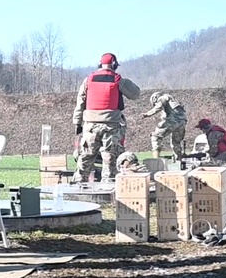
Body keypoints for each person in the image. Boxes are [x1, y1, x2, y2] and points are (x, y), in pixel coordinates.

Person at [72, 53, 141, 182]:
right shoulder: (117, 79)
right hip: (111, 125)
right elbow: (135, 94)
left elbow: (80, 102)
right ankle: (108, 188)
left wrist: (77, 122)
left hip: (90, 125)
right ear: (114, 65)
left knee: (86, 157)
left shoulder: (88, 79)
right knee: (110, 158)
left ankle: (78, 186)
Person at [141, 91, 188, 160]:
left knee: (155, 136)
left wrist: (147, 114)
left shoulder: (163, 98)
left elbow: (159, 107)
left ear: (155, 98)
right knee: (176, 143)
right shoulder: (172, 100)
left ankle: (155, 159)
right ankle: (179, 161)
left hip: (173, 120)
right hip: (182, 121)